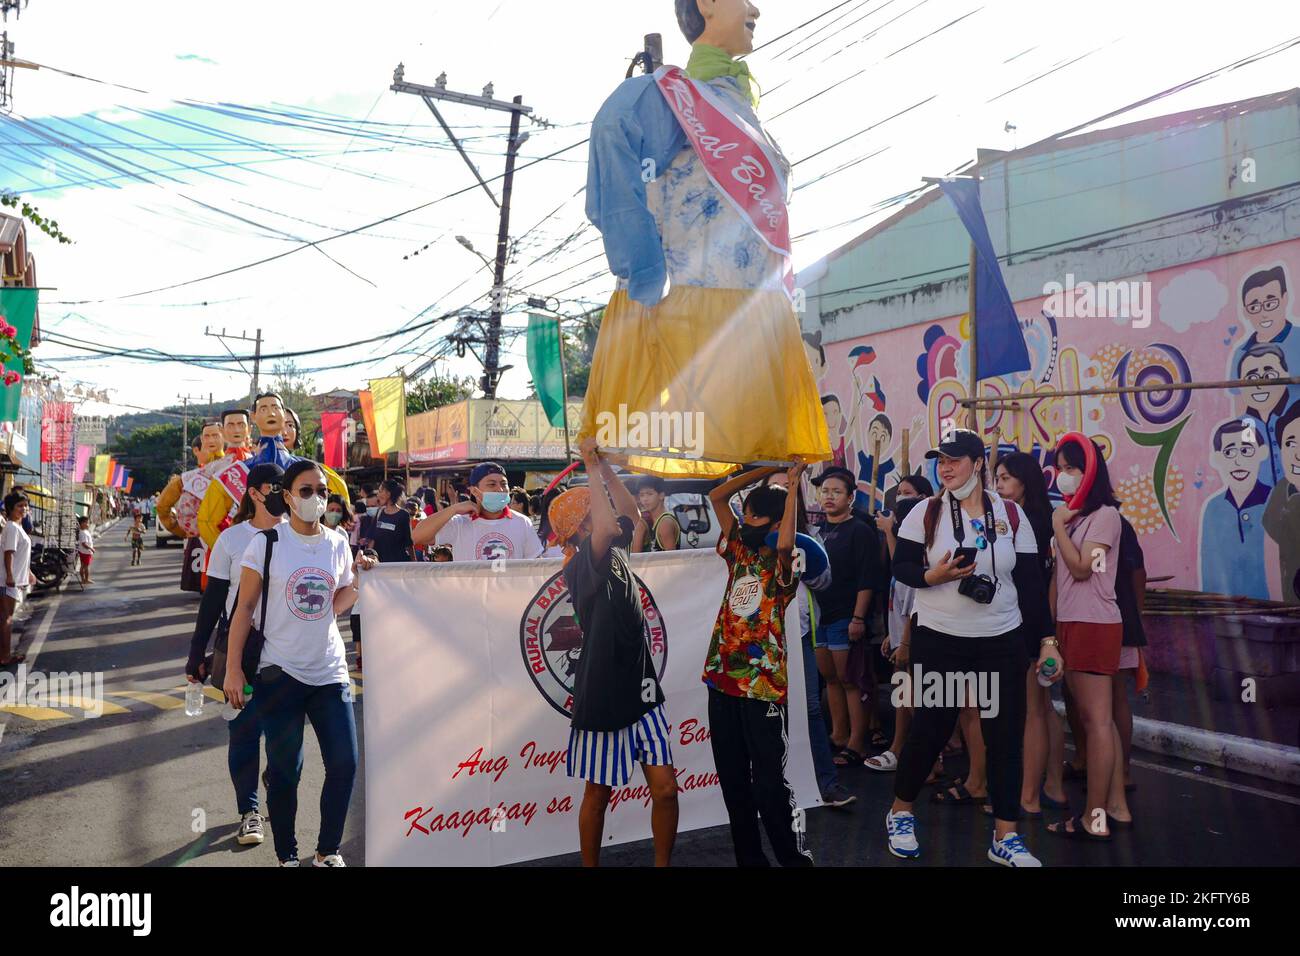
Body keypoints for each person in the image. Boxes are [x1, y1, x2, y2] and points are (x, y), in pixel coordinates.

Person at [886, 429, 1053, 867]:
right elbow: (901, 565)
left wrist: (1047, 641)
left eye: (956, 459)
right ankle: (900, 812)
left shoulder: (1013, 515)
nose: (946, 467)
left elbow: (1032, 586)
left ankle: (1006, 835)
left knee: (1003, 736)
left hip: (1000, 639)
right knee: (932, 728)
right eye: (941, 459)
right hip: (940, 637)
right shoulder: (923, 512)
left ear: (978, 463)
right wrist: (930, 578)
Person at [222, 460, 377, 867]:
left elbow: (337, 600)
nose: (316, 498)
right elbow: (245, 608)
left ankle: (328, 851)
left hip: (329, 671)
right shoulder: (267, 544)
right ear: (287, 496)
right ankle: (287, 856)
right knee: (285, 771)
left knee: (345, 763)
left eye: (322, 491)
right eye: (306, 491)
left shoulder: (338, 543)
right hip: (280, 674)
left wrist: (359, 580)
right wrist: (233, 669)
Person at [549, 438, 678, 867]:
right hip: (602, 693)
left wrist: (603, 469)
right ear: (582, 525)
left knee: (664, 789)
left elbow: (630, 515)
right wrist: (589, 463)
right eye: (593, 507)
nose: (601, 510)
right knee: (597, 795)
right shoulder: (580, 562)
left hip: (642, 688)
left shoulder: (613, 549)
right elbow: (607, 526)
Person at [703, 460, 814, 867]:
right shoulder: (737, 549)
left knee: (769, 785)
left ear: (773, 521)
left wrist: (794, 485)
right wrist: (764, 468)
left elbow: (784, 544)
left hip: (763, 686)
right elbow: (717, 496)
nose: (745, 518)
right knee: (734, 784)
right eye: (745, 512)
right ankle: (750, 861)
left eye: (754, 513)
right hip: (721, 680)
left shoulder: (786, 563)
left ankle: (794, 860)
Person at [185, 463, 287, 848]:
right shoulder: (230, 539)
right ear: (254, 493)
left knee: (285, 738)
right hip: (240, 651)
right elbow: (213, 601)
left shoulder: (299, 535)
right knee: (244, 733)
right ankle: (249, 811)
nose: (281, 492)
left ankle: (274, 780)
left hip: (288, 651)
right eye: (273, 486)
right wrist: (198, 651)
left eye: (284, 486)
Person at [1045, 437, 1134, 841]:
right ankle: (1115, 804)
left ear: (1090, 471)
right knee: (1095, 720)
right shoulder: (1078, 516)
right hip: (1071, 621)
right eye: (1060, 467)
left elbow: (1083, 568)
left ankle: (1093, 817)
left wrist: (1057, 527)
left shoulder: (1105, 517)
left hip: (1094, 623)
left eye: (1071, 467)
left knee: (1096, 721)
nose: (1063, 476)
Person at [995, 451, 1069, 817]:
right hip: (1043, 624)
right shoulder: (1043, 518)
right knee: (1044, 707)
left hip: (1028, 623)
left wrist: (1043, 634)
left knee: (1032, 712)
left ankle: (1027, 797)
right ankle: (1053, 785)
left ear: (1025, 480)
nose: (999, 486)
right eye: (996, 479)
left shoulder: (1027, 522)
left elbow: (1040, 579)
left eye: (1006, 478)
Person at [809, 466, 884, 766]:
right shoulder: (816, 531)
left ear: (850, 497)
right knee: (830, 679)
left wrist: (857, 618)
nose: (829, 497)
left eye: (836, 492)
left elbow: (868, 579)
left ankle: (857, 743)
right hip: (819, 617)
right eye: (825, 491)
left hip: (846, 616)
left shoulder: (860, 531)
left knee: (851, 680)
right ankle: (838, 735)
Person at [866, 494, 924, 774]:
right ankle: (898, 749)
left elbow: (915, 611)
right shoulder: (904, 564)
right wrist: (893, 634)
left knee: (915, 701)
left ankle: (929, 757)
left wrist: (904, 643)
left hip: (913, 644)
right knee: (903, 697)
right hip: (902, 640)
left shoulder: (917, 567)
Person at [414, 462, 544, 561]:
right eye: (492, 484)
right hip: (470, 596)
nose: (500, 489)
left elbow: (535, 565)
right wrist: (453, 509)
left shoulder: (522, 522)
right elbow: (417, 537)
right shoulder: (460, 523)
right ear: (474, 491)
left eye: (504, 484)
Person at [0, 492, 32, 666]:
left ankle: (4, 654)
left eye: (25, 505)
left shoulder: (17, 526)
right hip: (5, 580)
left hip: (11, 579)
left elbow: (20, 554)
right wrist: (10, 575)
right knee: (6, 618)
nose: (24, 508)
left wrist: (29, 573)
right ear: (11, 508)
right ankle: (5, 656)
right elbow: (9, 554)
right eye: (20, 505)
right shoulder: (12, 527)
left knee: (6, 618)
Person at [363, 479, 413, 564]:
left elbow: (408, 544)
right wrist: (368, 558)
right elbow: (372, 540)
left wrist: (414, 563)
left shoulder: (403, 515)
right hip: (380, 565)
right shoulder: (379, 513)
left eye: (380, 491)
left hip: (398, 565)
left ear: (388, 494)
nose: (378, 495)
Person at [632, 475, 682, 552]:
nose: (645, 499)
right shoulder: (648, 519)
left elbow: (672, 559)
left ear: (661, 495)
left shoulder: (665, 523)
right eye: (642, 495)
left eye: (649, 494)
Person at [75, 516, 95, 585]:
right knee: (86, 567)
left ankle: (83, 579)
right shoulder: (83, 533)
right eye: (87, 523)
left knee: (83, 566)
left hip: (84, 551)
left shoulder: (84, 531)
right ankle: (86, 580)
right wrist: (91, 548)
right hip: (86, 552)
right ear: (82, 523)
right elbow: (84, 544)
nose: (88, 524)